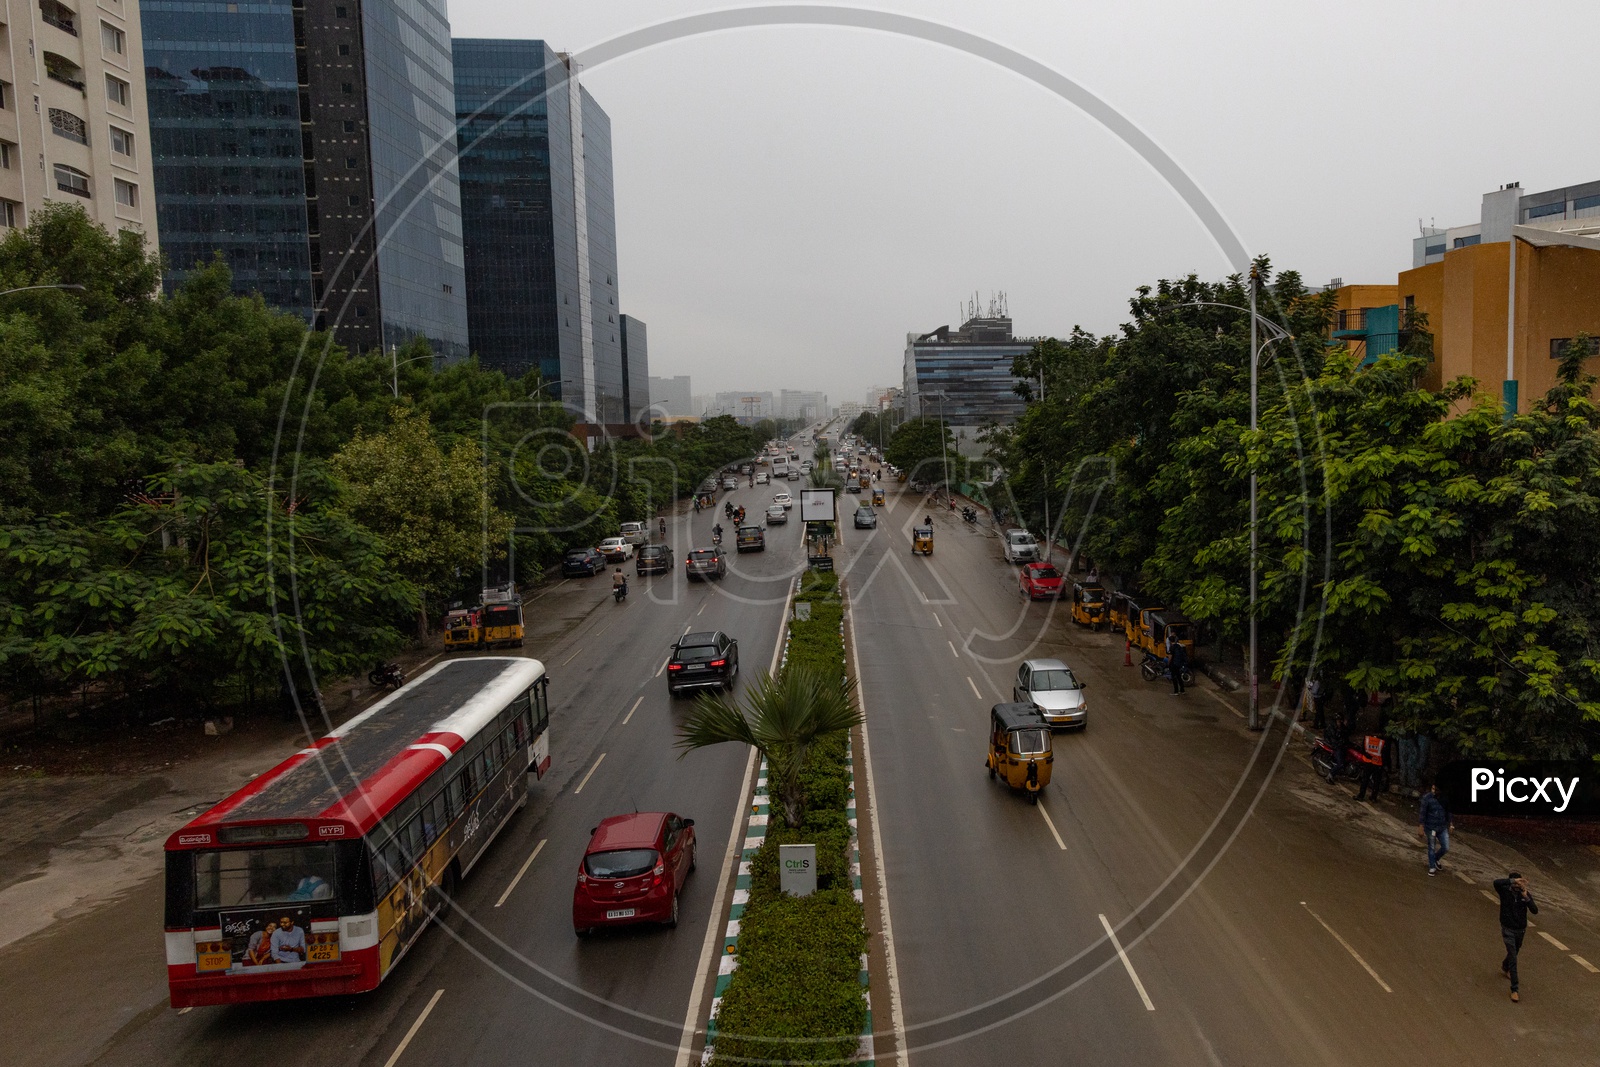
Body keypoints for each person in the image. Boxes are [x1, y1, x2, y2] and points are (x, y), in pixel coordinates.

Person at [1494, 871, 1538, 1002]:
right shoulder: (1504, 892)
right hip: (1508, 929)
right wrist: (1513, 881)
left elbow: (1535, 910)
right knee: (1513, 956)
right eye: (1515, 883)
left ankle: (1505, 965)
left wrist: (1527, 898)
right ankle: (1515, 989)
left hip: (1520, 930)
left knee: (1515, 951)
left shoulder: (1524, 894)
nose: (1517, 886)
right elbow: (1496, 882)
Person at [1418, 781, 1451, 875]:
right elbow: (1423, 812)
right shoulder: (1427, 798)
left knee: (1446, 847)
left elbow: (1448, 811)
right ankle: (1432, 866)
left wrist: (1450, 824)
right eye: (1433, 789)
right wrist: (1421, 825)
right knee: (1431, 846)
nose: (1434, 791)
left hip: (1442, 827)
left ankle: (1435, 858)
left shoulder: (1444, 798)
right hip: (1430, 827)